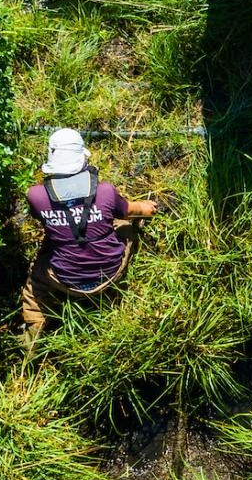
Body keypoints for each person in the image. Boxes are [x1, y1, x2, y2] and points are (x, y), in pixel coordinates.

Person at [20, 127, 157, 336]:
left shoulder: (36, 196)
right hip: (110, 274)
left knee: (36, 276)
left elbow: (43, 220)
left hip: (65, 281)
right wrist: (147, 207)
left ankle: (33, 329)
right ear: (82, 159)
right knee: (124, 225)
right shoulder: (105, 191)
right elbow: (130, 210)